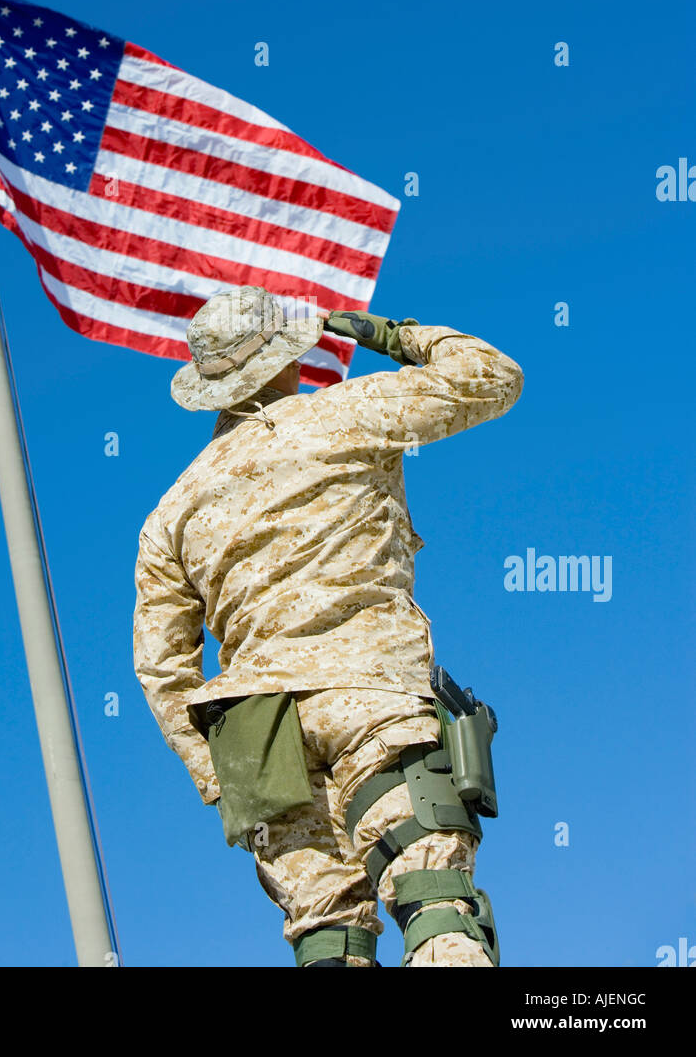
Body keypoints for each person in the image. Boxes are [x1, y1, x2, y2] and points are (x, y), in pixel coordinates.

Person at [133, 285, 523, 967]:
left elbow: (163, 669)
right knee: (431, 893)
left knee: (327, 938)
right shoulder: (346, 413)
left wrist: (217, 773)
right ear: (286, 357)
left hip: (254, 736)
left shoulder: (170, 512)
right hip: (366, 693)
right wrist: (384, 333)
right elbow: (491, 376)